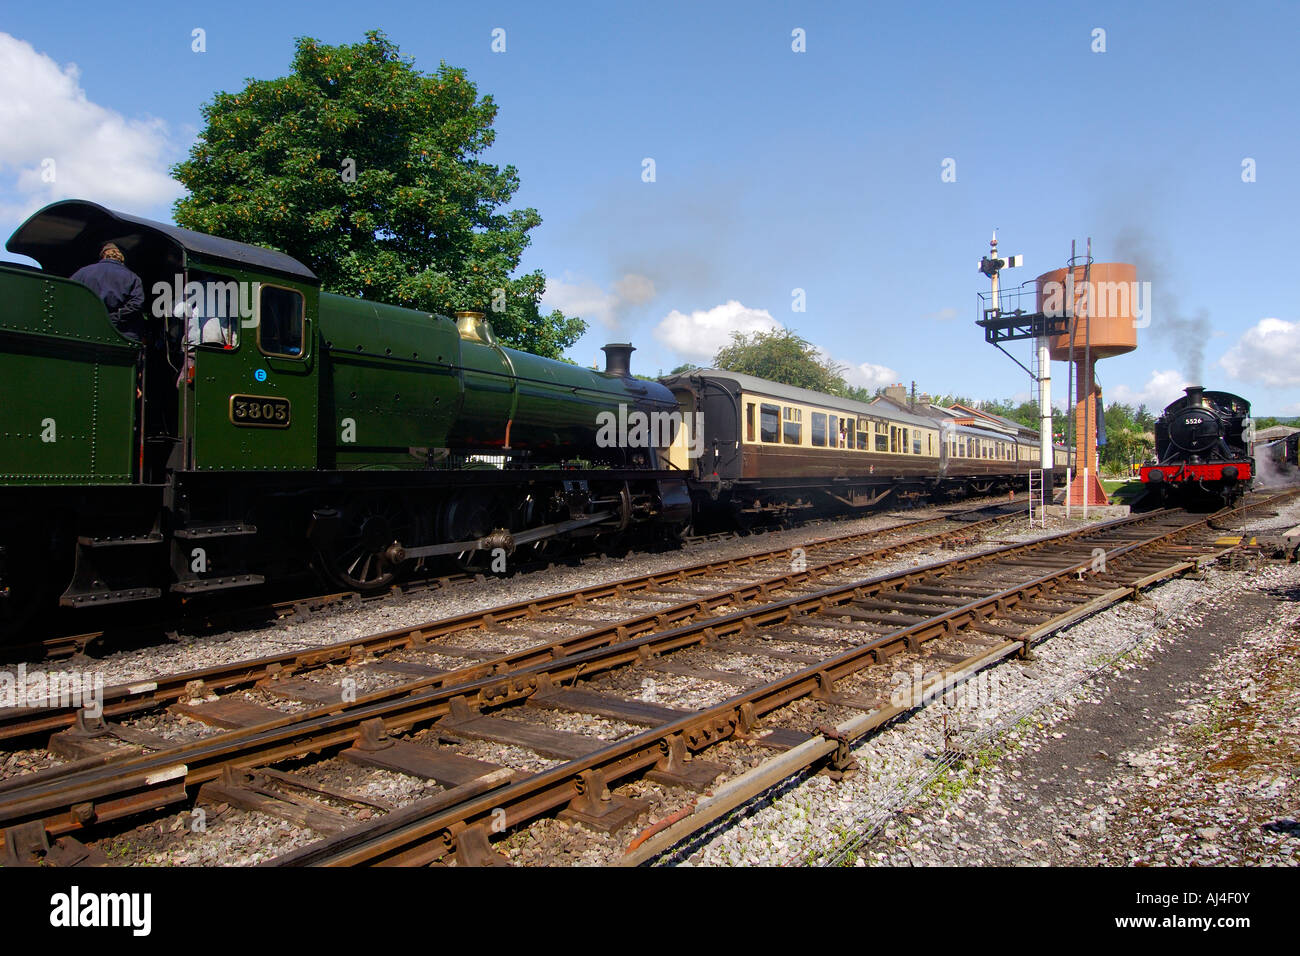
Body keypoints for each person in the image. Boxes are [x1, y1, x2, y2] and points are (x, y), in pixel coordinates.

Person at [70, 242, 145, 342]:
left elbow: (68, 295)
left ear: (103, 256)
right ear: (122, 258)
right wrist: (112, 319)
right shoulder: (132, 277)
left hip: (85, 330)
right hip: (119, 335)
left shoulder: (82, 272)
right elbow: (136, 304)